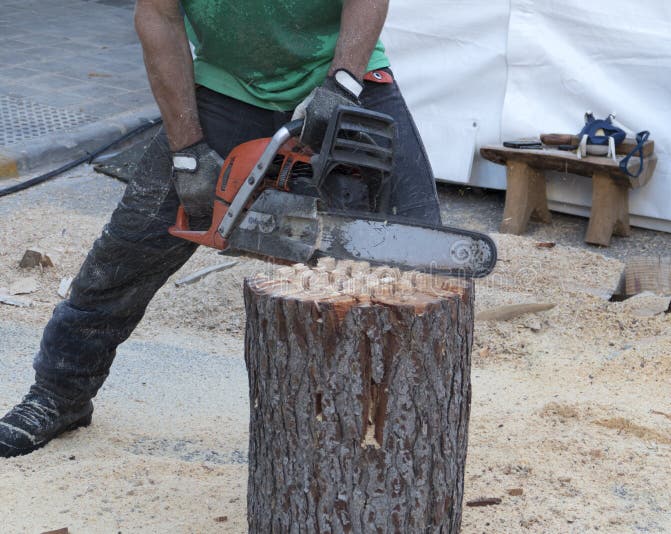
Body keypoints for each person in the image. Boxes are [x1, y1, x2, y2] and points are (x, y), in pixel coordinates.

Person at [0, 0, 441, 458]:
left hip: (343, 74)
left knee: (419, 257)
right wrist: (186, 147)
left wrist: (342, 83)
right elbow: (158, 16)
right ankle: (59, 394)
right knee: (131, 245)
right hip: (227, 85)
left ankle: (413, 416)